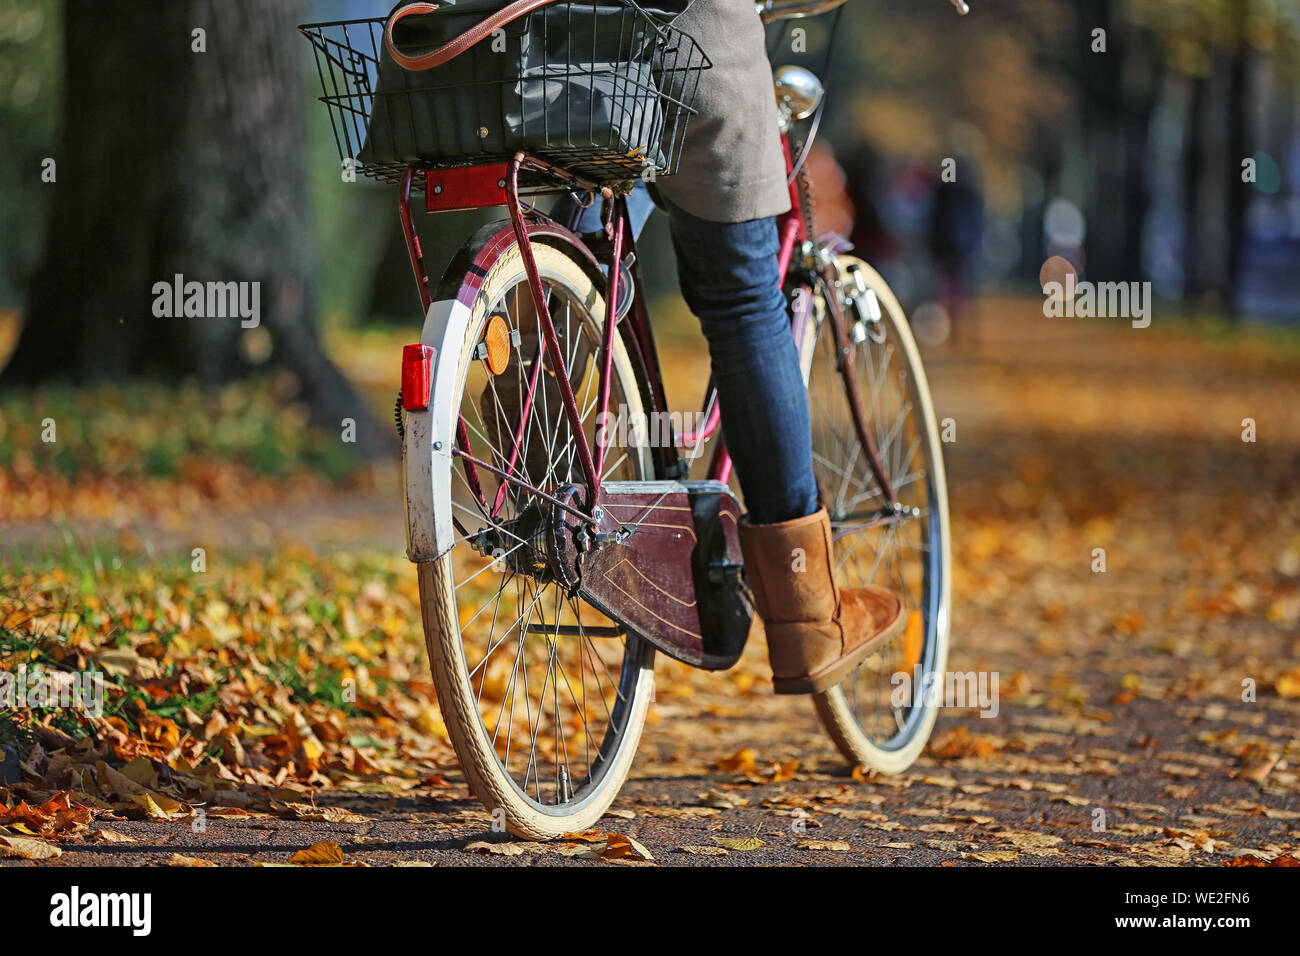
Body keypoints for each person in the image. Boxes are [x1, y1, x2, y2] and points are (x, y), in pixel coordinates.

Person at [555, 0, 905, 694]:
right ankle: (807, 616)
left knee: (567, 244)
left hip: (536, 59)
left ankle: (532, 473)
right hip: (686, 51)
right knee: (743, 301)